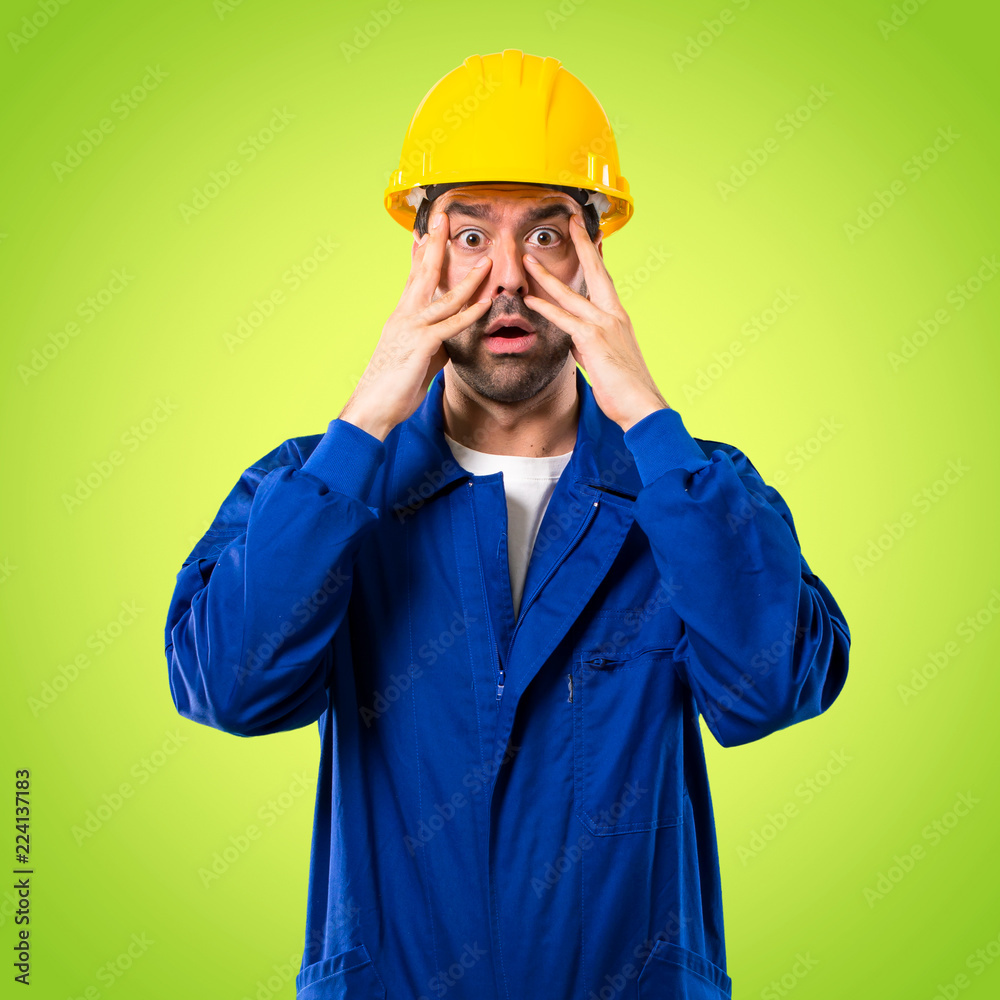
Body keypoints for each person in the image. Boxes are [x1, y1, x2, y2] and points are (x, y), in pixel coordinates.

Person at [164, 49, 851, 1000]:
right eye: (470, 234)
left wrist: (647, 415)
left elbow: (773, 685)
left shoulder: (695, 494)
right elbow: (230, 686)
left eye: (547, 237)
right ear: (420, 254)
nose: (506, 283)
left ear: (597, 256)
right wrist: (365, 421)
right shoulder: (317, 490)